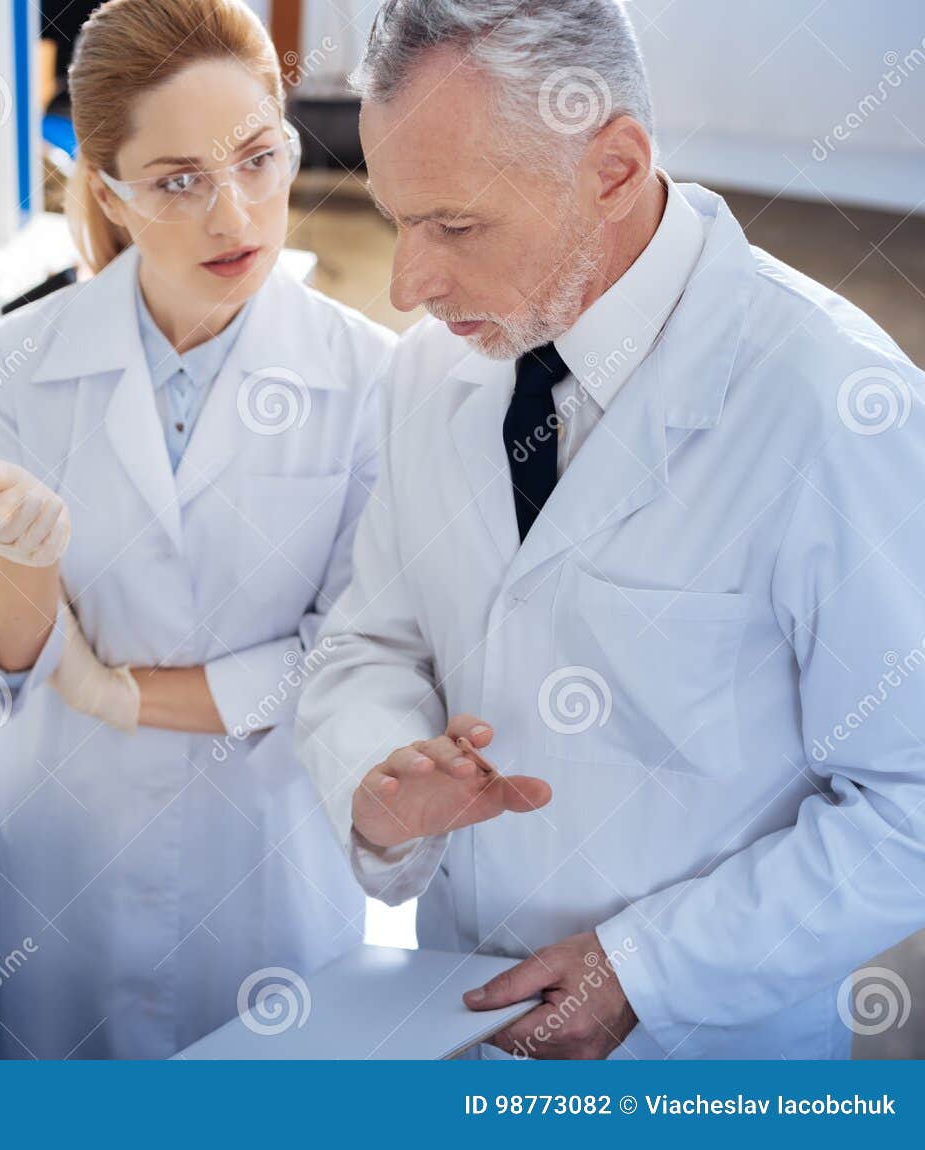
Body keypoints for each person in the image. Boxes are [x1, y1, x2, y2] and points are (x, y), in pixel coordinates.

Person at [298, 0, 925, 1059]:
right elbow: (375, 638)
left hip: (703, 1051)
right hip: (459, 1011)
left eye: (454, 226)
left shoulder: (836, 407)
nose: (408, 284)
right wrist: (378, 777)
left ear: (616, 168)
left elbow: (908, 808)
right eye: (395, 220)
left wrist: (646, 967)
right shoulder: (428, 370)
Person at [0, 0, 397, 1058]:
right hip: (69, 839)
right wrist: (23, 568)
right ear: (108, 190)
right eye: (177, 180)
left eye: (256, 159)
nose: (233, 216)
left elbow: (352, 650)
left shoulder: (370, 377)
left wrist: (119, 694)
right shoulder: (19, 362)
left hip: (266, 854)